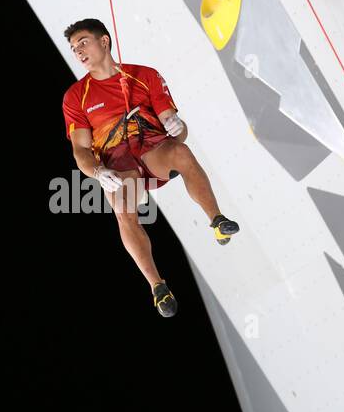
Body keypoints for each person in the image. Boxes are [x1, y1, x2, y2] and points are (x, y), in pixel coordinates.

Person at [61, 18, 239, 317]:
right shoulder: (76, 96)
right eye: (73, 48)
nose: (78, 51)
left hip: (152, 148)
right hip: (118, 164)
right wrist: (97, 172)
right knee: (122, 206)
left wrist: (176, 125)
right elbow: (80, 149)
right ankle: (158, 286)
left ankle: (217, 220)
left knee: (182, 152)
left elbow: (176, 131)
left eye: (83, 42)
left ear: (104, 41)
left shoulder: (144, 76)